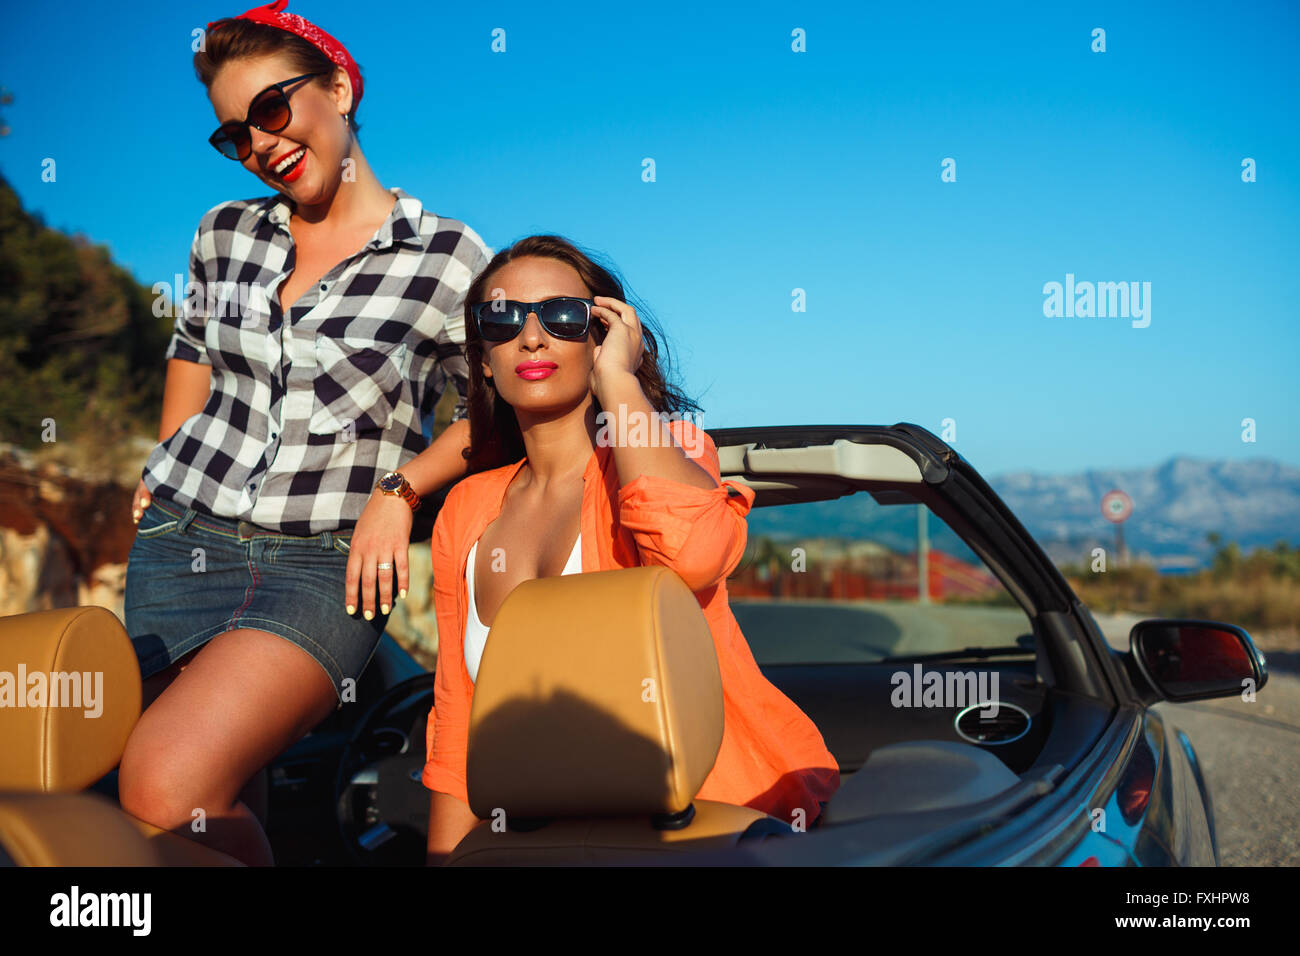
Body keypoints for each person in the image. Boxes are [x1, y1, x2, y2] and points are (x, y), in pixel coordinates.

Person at [120, 0, 489, 866]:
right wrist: (161, 460)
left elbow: (490, 415)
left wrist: (401, 494)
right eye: (235, 134)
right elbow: (193, 348)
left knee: (162, 787)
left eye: (273, 110)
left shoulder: (448, 256)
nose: (261, 145)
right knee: (210, 809)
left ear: (339, 86)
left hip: (328, 566)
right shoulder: (224, 232)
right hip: (181, 545)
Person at [421, 235, 841, 864]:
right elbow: (458, 723)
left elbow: (694, 552)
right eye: (502, 319)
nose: (531, 339)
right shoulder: (467, 510)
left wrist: (618, 379)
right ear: (483, 358)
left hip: (720, 832)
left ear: (602, 333)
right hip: (560, 846)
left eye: (563, 316)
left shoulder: (666, 454)